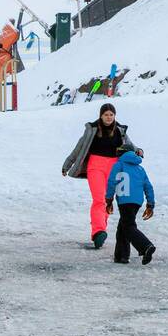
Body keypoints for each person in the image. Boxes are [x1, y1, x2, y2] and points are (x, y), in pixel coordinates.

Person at [61, 103, 139, 248]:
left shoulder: (120, 130)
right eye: (106, 115)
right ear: (101, 116)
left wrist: (137, 151)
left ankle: (101, 226)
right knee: (99, 199)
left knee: (107, 199)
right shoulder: (92, 129)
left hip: (114, 168)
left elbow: (130, 145)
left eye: (111, 114)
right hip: (95, 166)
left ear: (114, 116)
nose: (109, 117)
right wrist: (67, 164)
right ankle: (98, 232)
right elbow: (79, 148)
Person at [105, 144, 156, 265]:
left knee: (128, 226)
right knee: (122, 227)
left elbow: (112, 181)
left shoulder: (119, 165)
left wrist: (109, 199)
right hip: (137, 202)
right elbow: (148, 187)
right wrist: (150, 204)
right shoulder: (140, 169)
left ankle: (146, 246)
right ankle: (121, 256)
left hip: (124, 201)